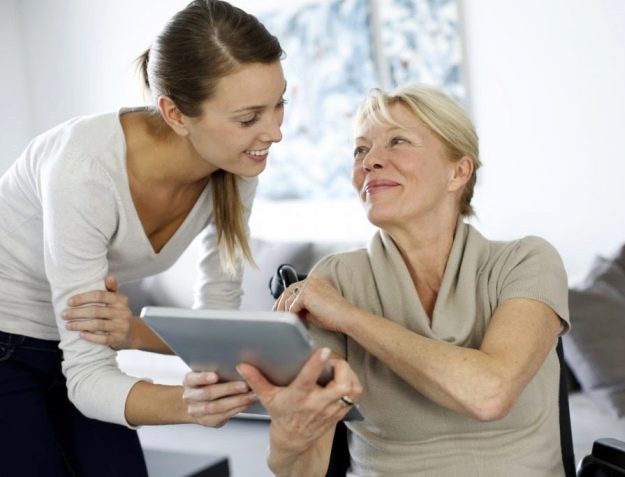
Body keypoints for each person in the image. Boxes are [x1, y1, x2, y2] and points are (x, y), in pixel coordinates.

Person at [0, 1, 359, 475]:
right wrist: (191, 404)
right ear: (174, 113)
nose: (275, 132)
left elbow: (215, 328)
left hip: (83, 337)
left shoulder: (235, 165)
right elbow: (87, 379)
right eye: (249, 117)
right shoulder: (84, 170)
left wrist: (138, 335)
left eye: (280, 103)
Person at [233, 84, 571, 476]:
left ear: (458, 171)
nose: (371, 161)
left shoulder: (527, 261)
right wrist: (290, 434)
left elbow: (489, 394)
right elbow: (305, 469)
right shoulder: (336, 279)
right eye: (361, 149)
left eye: (397, 141)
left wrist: (348, 317)